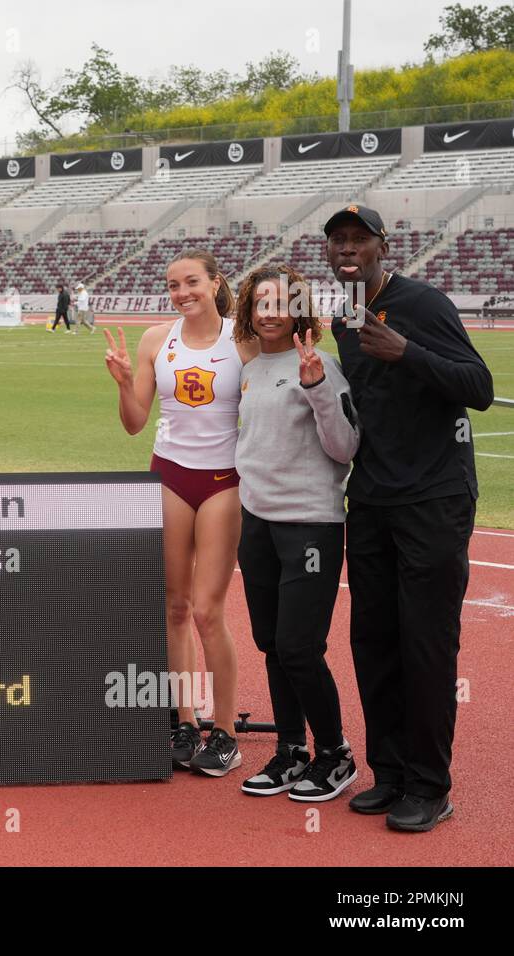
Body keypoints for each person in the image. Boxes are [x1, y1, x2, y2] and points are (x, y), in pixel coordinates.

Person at [324, 204, 494, 831]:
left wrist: (407, 351)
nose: (348, 249)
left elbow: (477, 385)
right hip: (369, 499)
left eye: (359, 239)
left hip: (433, 499)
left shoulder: (422, 305)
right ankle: (389, 773)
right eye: (338, 240)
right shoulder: (345, 318)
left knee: (425, 644)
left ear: (381, 247)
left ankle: (429, 785)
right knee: (373, 642)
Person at [102, 249, 257, 775]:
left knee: (209, 612)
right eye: (172, 285)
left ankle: (227, 732)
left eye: (191, 282)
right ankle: (184, 720)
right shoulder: (154, 340)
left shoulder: (244, 339)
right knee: (173, 607)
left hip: (222, 482)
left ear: (215, 283)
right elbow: (133, 422)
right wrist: (125, 383)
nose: (182, 292)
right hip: (169, 474)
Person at [232, 264, 360, 801]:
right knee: (270, 645)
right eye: (261, 303)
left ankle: (335, 754)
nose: (271, 311)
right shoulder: (253, 368)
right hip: (257, 523)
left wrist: (315, 390)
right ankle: (291, 750)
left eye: (281, 302)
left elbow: (346, 447)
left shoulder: (321, 365)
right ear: (250, 311)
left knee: (299, 647)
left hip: (309, 523)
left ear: (298, 310)